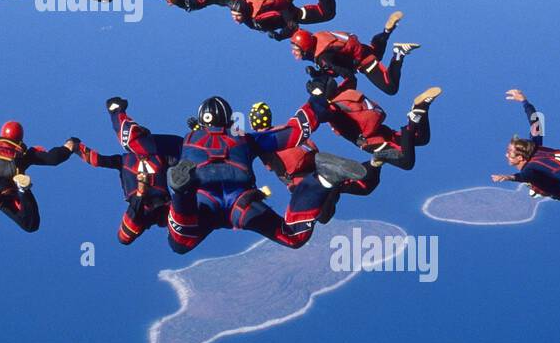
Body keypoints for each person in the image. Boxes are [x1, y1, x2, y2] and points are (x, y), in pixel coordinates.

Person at [158, 95, 326, 254]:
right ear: (230, 121)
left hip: (206, 200)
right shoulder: (246, 139)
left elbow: (141, 143)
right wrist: (317, 100)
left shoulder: (185, 142)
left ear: (201, 123)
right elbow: (294, 133)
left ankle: (182, 195)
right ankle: (320, 181)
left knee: (181, 243)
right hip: (240, 201)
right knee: (292, 236)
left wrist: (129, 121)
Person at [247, 100, 373, 241]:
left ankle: (333, 181)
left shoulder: (258, 143)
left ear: (252, 123)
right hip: (315, 164)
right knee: (361, 187)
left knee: (322, 216)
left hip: (298, 180)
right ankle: (374, 163)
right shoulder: (284, 130)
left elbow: (258, 166)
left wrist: (255, 193)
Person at [75, 97, 184, 245]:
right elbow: (182, 158)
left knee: (131, 143)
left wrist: (76, 147)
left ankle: (116, 111)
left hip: (149, 151)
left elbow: (97, 160)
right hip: (164, 152)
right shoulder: (164, 209)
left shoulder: (124, 161)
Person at [307, 70, 441, 171]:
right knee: (421, 139)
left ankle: (412, 121)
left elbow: (321, 115)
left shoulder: (334, 110)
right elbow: (349, 74)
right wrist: (320, 73)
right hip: (381, 131)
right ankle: (421, 108)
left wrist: (314, 97)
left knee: (406, 161)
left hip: (371, 142)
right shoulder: (346, 90)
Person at [289, 12, 417, 96]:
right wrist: (317, 73)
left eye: (296, 49)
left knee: (390, 88)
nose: (294, 52)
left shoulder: (323, 58)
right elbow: (335, 63)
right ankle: (386, 32)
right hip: (361, 49)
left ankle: (398, 54)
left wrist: (340, 94)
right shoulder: (317, 37)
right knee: (376, 52)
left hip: (363, 62)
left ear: (305, 47)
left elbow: (349, 76)